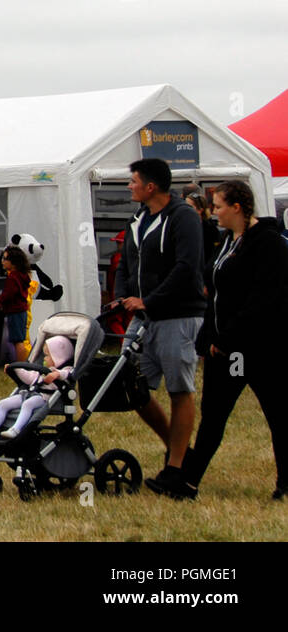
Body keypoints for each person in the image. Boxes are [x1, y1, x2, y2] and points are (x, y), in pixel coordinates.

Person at [174, 180, 288, 500]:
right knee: (214, 415)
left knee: (278, 414)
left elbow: (263, 300)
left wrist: (226, 338)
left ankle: (285, 483)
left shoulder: (268, 244)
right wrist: (209, 336)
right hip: (226, 350)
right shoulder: (227, 240)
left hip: (260, 349)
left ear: (237, 208)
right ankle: (187, 482)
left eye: (219, 206)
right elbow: (216, 294)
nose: (214, 212)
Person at [113, 157, 206, 496]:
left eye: (133, 181)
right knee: (130, 386)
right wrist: (122, 295)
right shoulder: (138, 218)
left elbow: (186, 267)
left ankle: (177, 470)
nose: (129, 186)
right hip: (143, 319)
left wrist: (149, 300)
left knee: (180, 390)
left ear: (150, 186)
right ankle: (178, 450)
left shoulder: (184, 218)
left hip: (177, 316)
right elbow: (125, 262)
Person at [0, 335, 74, 439]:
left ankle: (16, 429)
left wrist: (56, 374)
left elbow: (67, 373)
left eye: (47, 356)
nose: (44, 359)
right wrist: (16, 368)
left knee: (28, 404)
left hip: (44, 398)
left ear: (57, 356)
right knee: (3, 403)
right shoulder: (42, 371)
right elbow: (30, 378)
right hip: (29, 393)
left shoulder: (66, 369)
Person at [0, 246, 36, 359]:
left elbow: (9, 293)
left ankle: (21, 366)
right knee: (20, 340)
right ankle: (22, 364)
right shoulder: (22, 276)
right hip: (22, 311)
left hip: (15, 312)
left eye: (5, 259)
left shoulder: (13, 277)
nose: (2, 261)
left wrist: (0, 302)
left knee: (18, 342)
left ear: (14, 262)